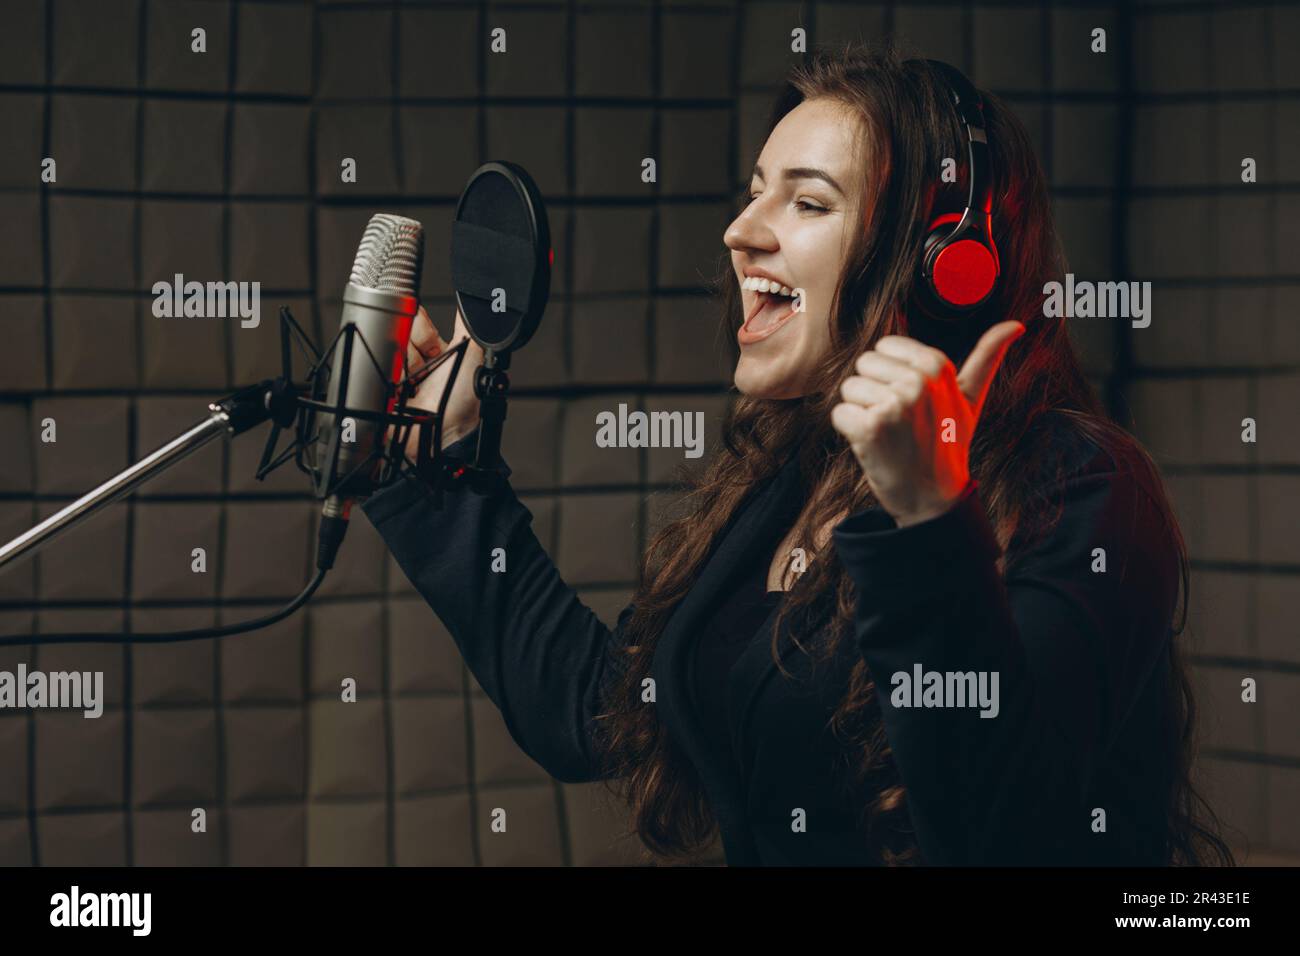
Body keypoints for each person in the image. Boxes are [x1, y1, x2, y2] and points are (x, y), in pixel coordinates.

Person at [361, 44, 1232, 866]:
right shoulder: (790, 478)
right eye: (753, 193)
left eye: (808, 202)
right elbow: (594, 713)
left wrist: (935, 523)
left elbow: (1006, 834)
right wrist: (450, 465)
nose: (741, 231)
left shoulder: (1082, 486)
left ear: (944, 261)